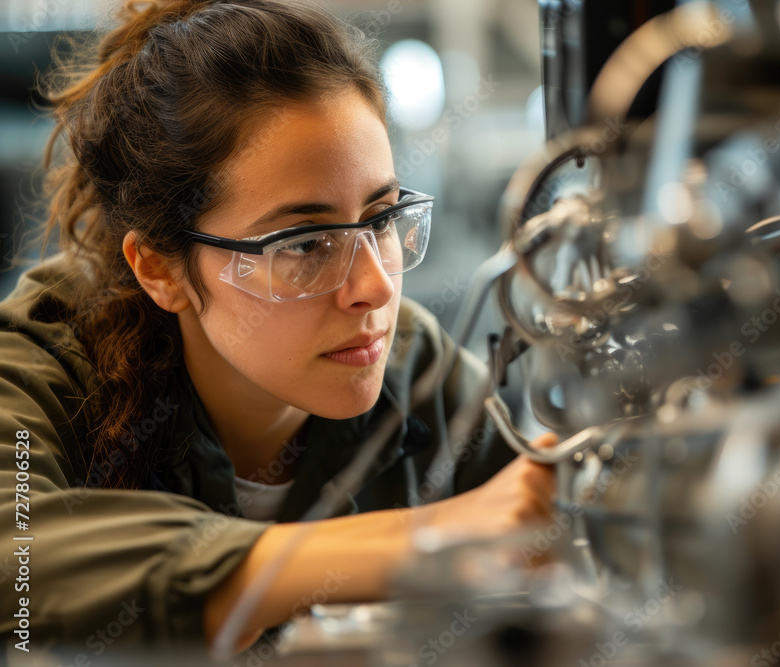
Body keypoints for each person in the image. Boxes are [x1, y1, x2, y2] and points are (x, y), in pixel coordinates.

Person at [0, 0, 558, 658]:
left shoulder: (419, 373)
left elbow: (549, 538)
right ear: (159, 268)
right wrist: (422, 540)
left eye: (380, 218)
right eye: (305, 243)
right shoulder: (45, 366)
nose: (376, 285)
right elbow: (20, 562)